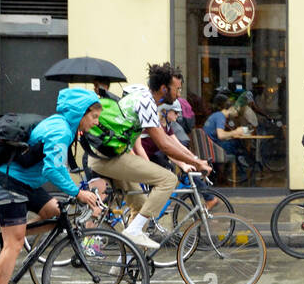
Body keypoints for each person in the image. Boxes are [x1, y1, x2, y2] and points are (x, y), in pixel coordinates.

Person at [0, 88, 105, 284]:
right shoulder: (60, 130)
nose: (96, 122)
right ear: (80, 112)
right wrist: (78, 193)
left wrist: (76, 190)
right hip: (9, 183)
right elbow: (52, 170)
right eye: (94, 116)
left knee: (54, 213)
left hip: (26, 183)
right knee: (15, 243)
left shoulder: (64, 127)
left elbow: (57, 166)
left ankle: (3, 238)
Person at [87, 63, 211, 250]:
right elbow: (164, 145)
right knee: (169, 179)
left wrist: (194, 160)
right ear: (164, 88)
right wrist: (196, 163)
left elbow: (167, 140)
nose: (179, 94)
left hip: (109, 155)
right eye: (177, 89)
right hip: (108, 158)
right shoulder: (146, 102)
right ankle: (132, 231)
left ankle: (127, 261)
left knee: (141, 207)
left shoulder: (145, 99)